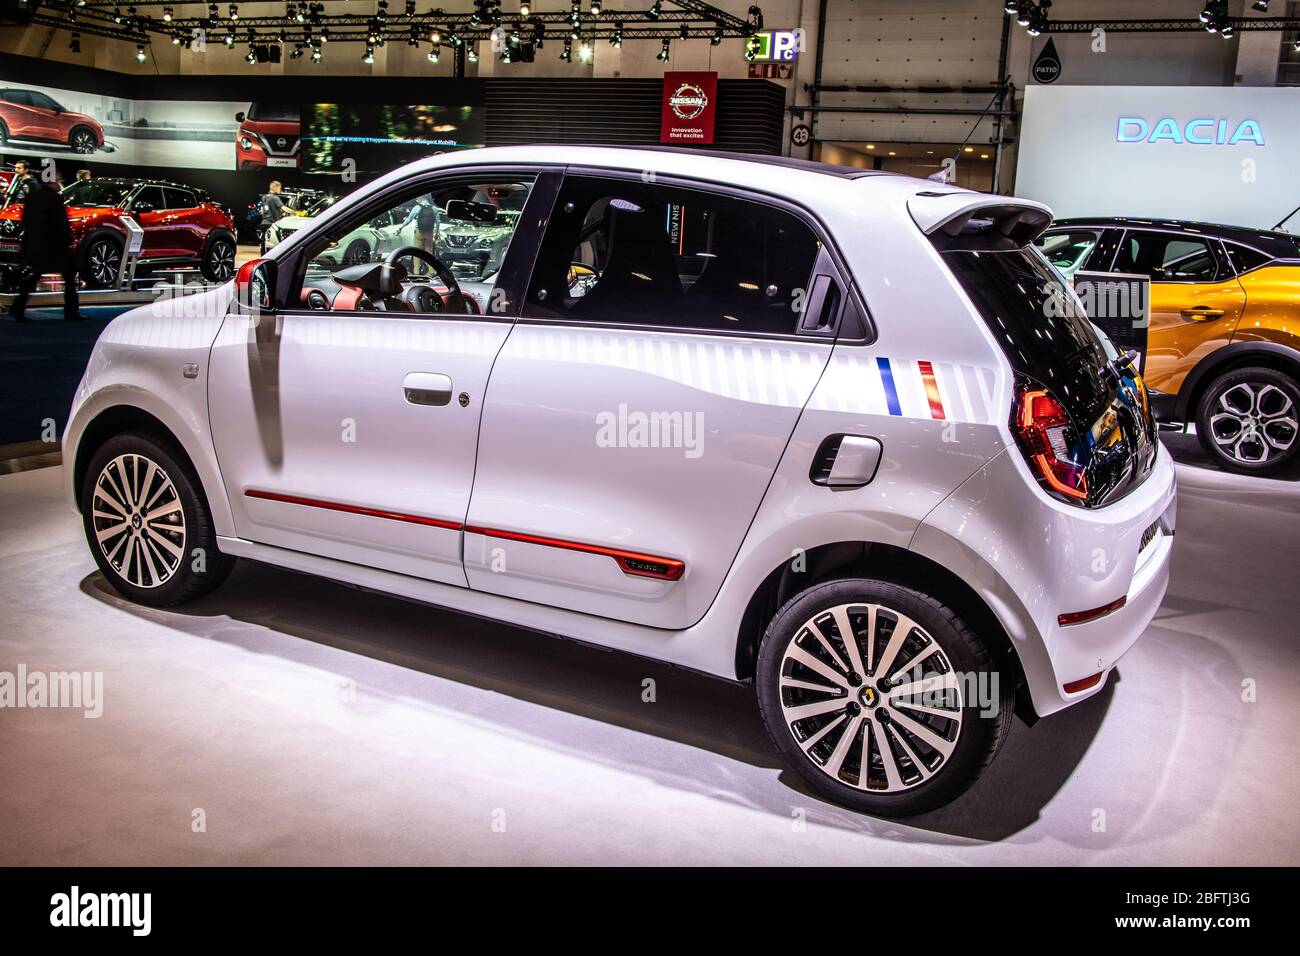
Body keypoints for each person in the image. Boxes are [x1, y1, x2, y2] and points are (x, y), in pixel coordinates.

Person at [9, 178, 83, 322]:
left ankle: (18, 307)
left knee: (34, 275)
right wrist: (67, 237)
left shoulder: (32, 196)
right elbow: (60, 221)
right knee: (69, 276)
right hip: (55, 244)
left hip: (35, 243)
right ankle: (71, 311)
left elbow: (25, 219)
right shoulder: (55, 198)